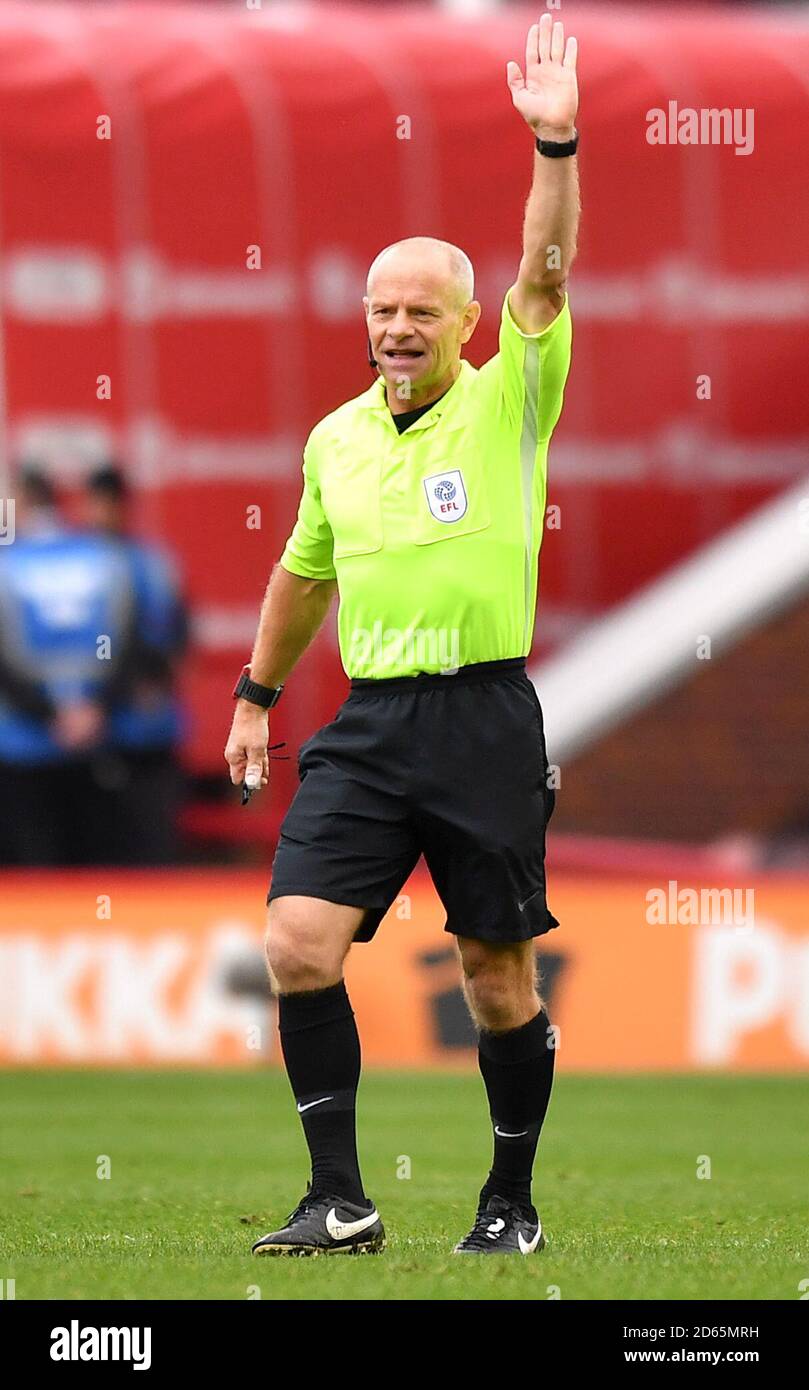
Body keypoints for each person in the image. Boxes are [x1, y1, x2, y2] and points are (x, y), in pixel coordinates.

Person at [224, 14, 579, 1256]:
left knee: (494, 977)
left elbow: (544, 270)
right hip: (370, 719)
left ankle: (509, 1204)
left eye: (421, 311)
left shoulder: (510, 396)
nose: (395, 328)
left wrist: (553, 144)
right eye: (380, 309)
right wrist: (257, 691)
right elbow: (301, 573)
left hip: (482, 713)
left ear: (468, 319)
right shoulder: (334, 440)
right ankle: (339, 1199)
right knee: (295, 941)